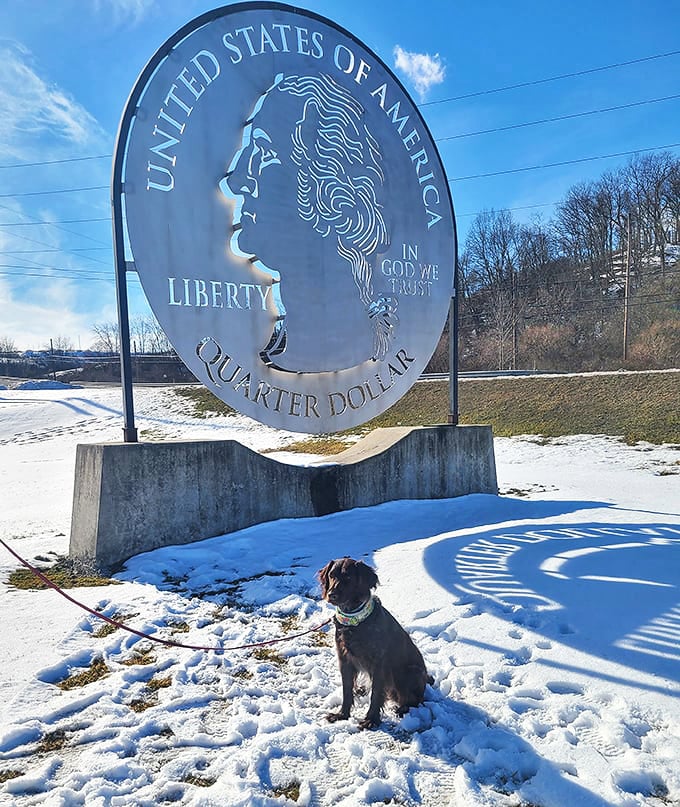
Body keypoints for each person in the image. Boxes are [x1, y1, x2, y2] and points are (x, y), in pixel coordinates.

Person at [220, 72, 398, 373]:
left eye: (264, 152)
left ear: (325, 186)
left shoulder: (355, 346)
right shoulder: (308, 344)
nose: (237, 181)